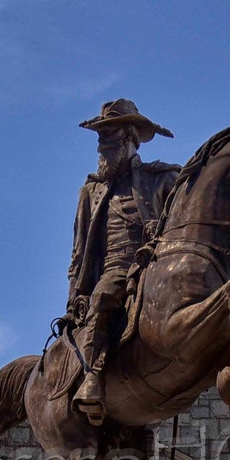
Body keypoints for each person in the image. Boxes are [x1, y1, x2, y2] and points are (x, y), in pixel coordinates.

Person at [64, 100, 180, 425]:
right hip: (115, 271)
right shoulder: (91, 191)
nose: (102, 146)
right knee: (102, 298)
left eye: (109, 138)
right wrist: (74, 301)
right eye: (100, 139)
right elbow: (79, 254)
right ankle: (92, 378)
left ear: (130, 139)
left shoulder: (163, 179)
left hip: (158, 266)